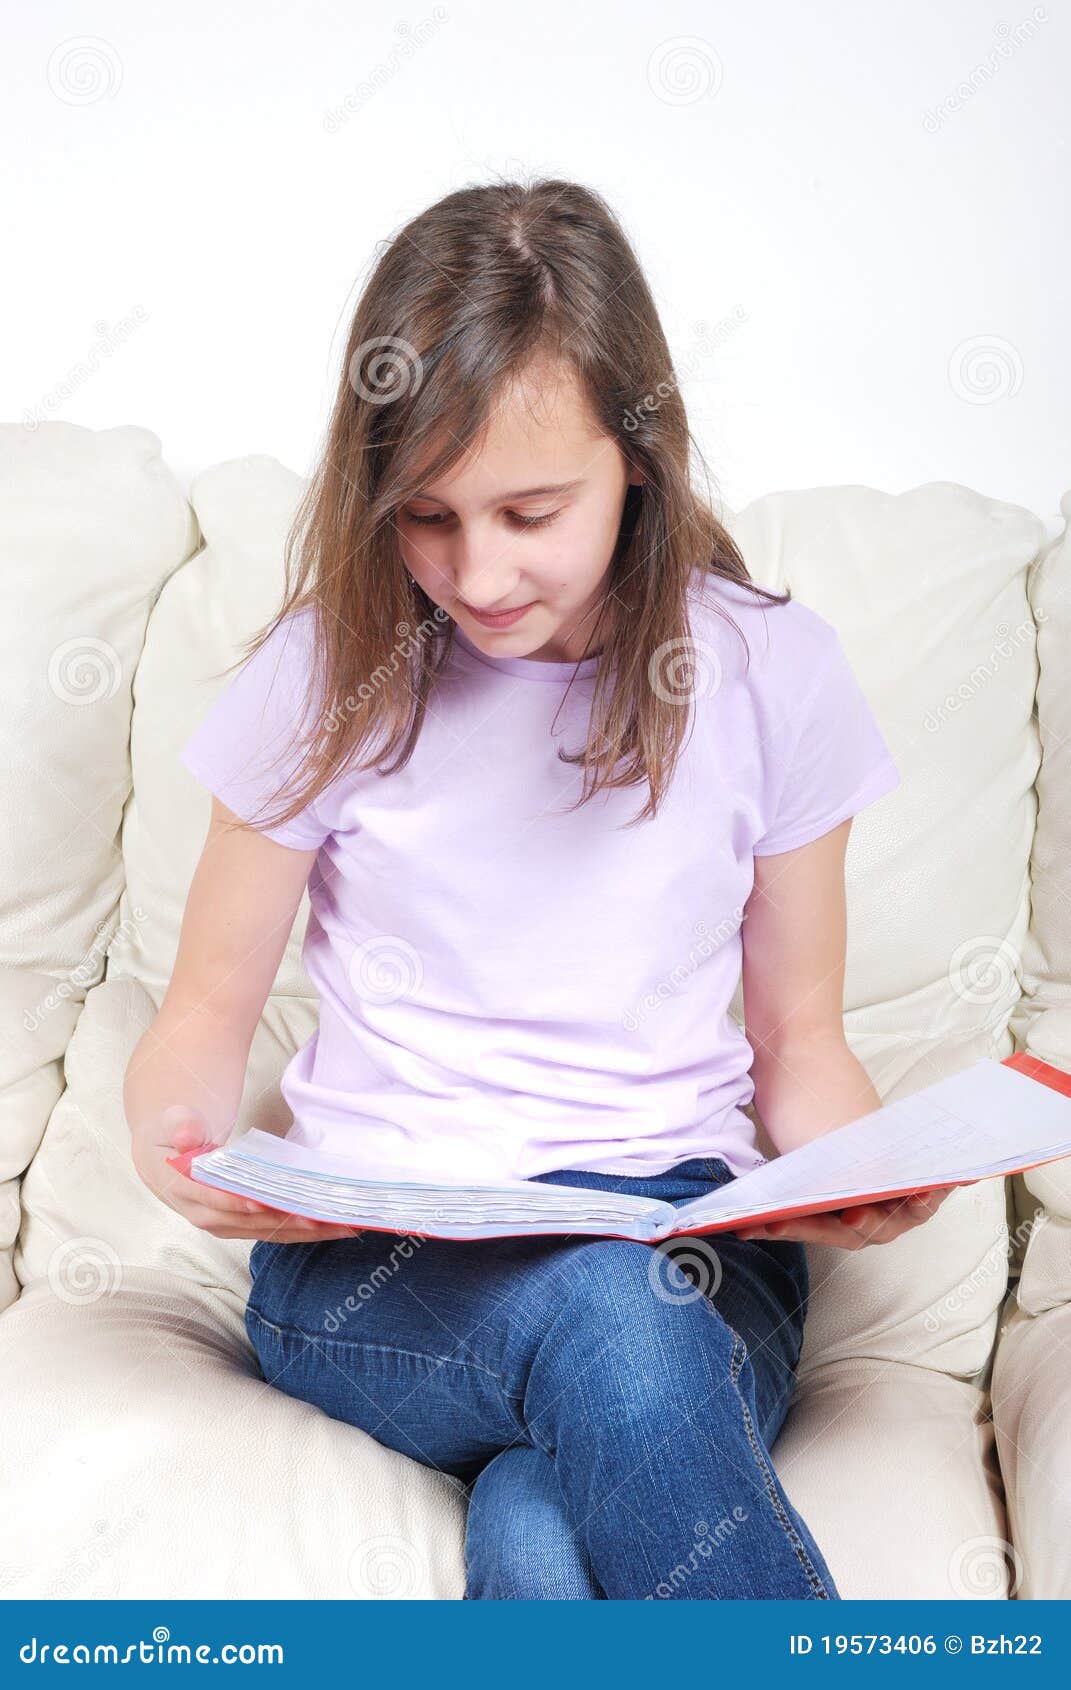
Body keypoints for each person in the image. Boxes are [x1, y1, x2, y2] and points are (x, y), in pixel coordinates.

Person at [124, 178, 949, 1600]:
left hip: (687, 1254)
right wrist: (181, 1149)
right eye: (426, 515)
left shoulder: (769, 671)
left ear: (640, 451)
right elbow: (201, 1014)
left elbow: (799, 1044)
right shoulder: (325, 674)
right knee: (612, 1326)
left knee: (542, 1521)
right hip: (384, 1270)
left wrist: (859, 1180)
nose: (476, 572)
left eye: (528, 510)